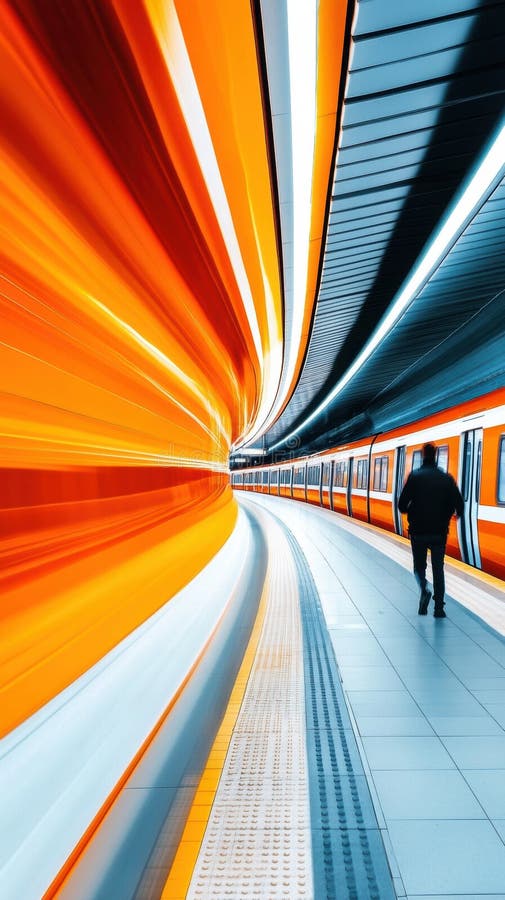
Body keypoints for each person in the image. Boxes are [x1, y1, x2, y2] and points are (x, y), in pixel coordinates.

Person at [398, 443, 464, 618]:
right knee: (438, 570)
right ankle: (439, 608)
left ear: (423, 456)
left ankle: (424, 589)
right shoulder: (446, 479)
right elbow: (459, 506)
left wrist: (413, 510)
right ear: (435, 456)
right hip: (439, 532)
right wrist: (448, 514)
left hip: (418, 532)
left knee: (419, 567)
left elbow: (401, 505)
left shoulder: (414, 477)